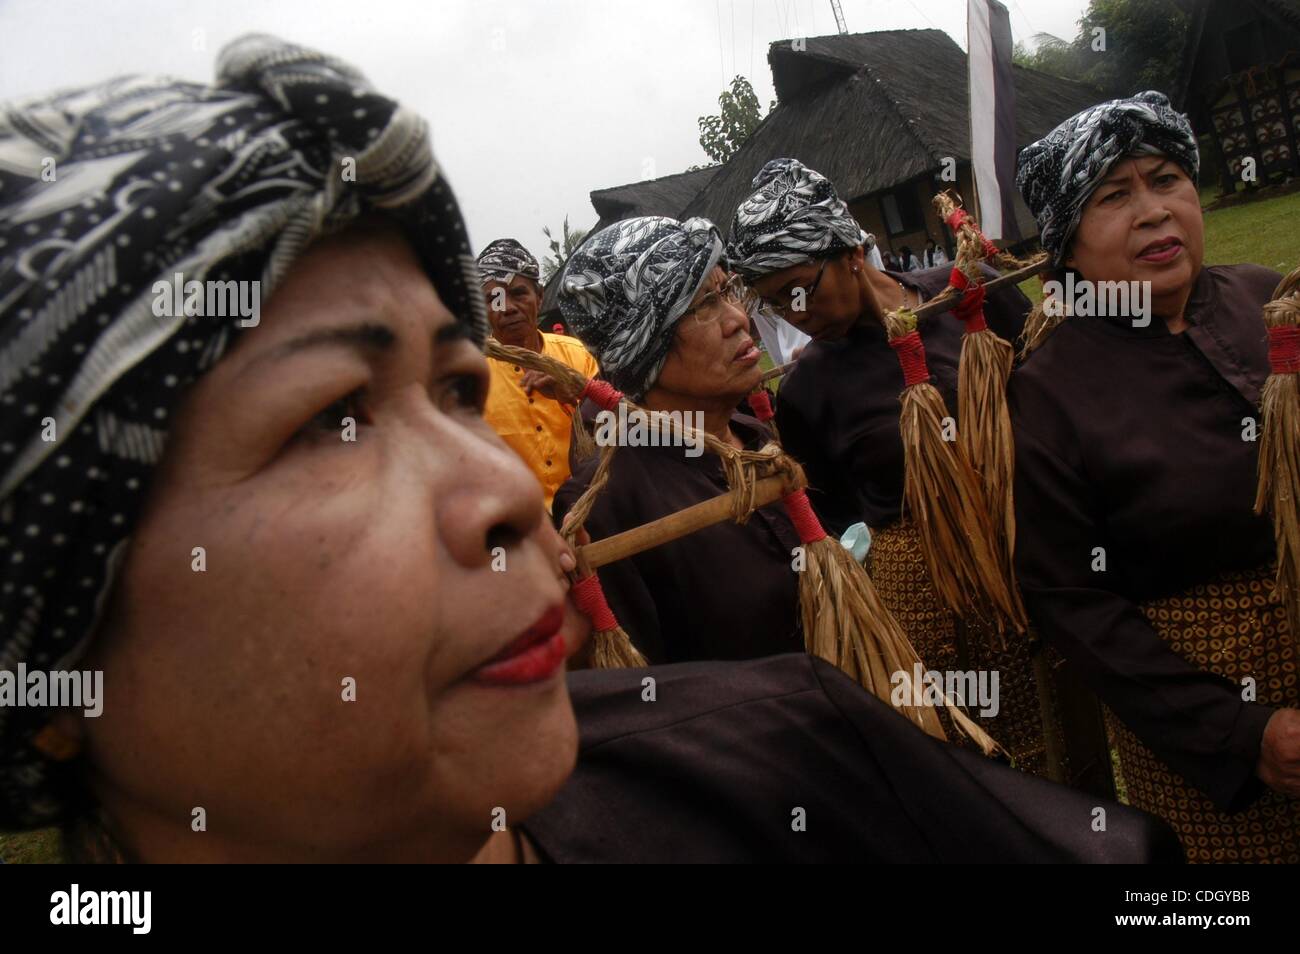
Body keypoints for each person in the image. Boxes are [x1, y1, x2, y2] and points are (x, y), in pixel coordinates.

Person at [0, 35, 1177, 864]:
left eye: (460, 395)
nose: (513, 491)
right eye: (330, 423)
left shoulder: (778, 750)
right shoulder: (638, 516)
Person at [1012, 90, 1300, 862]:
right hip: (1209, 733)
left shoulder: (1269, 297)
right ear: (1068, 247)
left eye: (1167, 178)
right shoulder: (1050, 389)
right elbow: (1069, 598)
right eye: (1113, 196)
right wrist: (1242, 732)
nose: (1153, 211)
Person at [729, 159, 1060, 779]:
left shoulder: (968, 295)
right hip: (937, 603)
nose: (795, 312)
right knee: (990, 772)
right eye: (775, 303)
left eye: (801, 286)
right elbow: (836, 514)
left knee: (1068, 738)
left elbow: (1049, 394)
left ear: (853, 250)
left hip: (1035, 556)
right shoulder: (807, 390)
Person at [552, 216, 805, 665]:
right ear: (643, 348)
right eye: (703, 304)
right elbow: (647, 693)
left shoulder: (756, 438)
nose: (738, 319)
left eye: (727, 291)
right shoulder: (608, 504)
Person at [477, 239, 598, 508]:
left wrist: (577, 395)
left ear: (540, 297)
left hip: (595, 511)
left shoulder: (580, 356)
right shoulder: (471, 379)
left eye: (519, 294)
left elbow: (621, 427)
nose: (506, 307)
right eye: (493, 298)